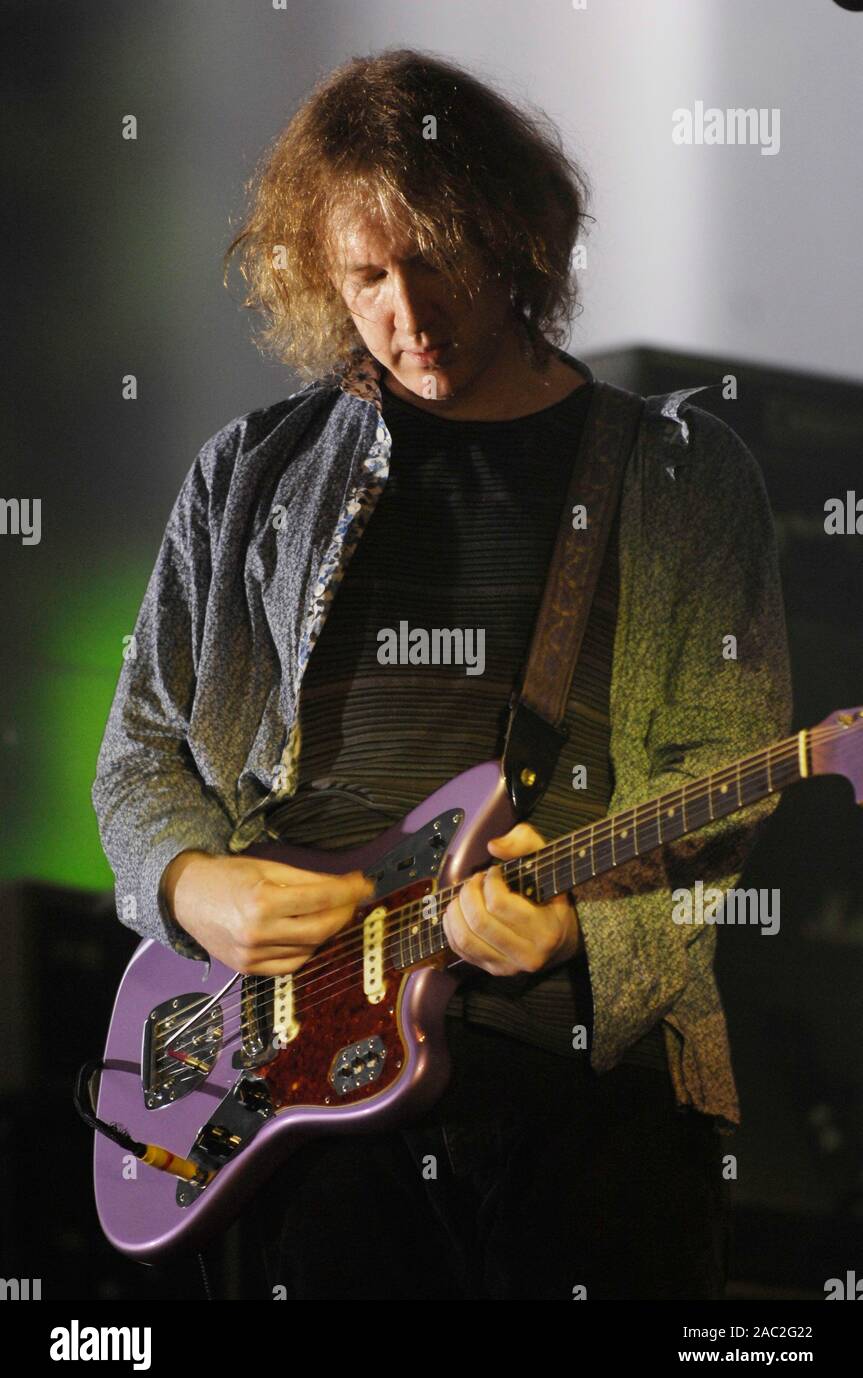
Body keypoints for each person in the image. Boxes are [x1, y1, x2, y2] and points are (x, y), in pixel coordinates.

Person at [92, 48, 793, 1300]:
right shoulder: (245, 477)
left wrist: (577, 920)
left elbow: (724, 781)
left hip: (583, 1076)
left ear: (514, 239)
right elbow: (142, 749)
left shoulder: (684, 473)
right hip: (292, 1103)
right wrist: (192, 885)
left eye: (435, 261)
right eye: (366, 276)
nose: (406, 314)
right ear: (320, 276)